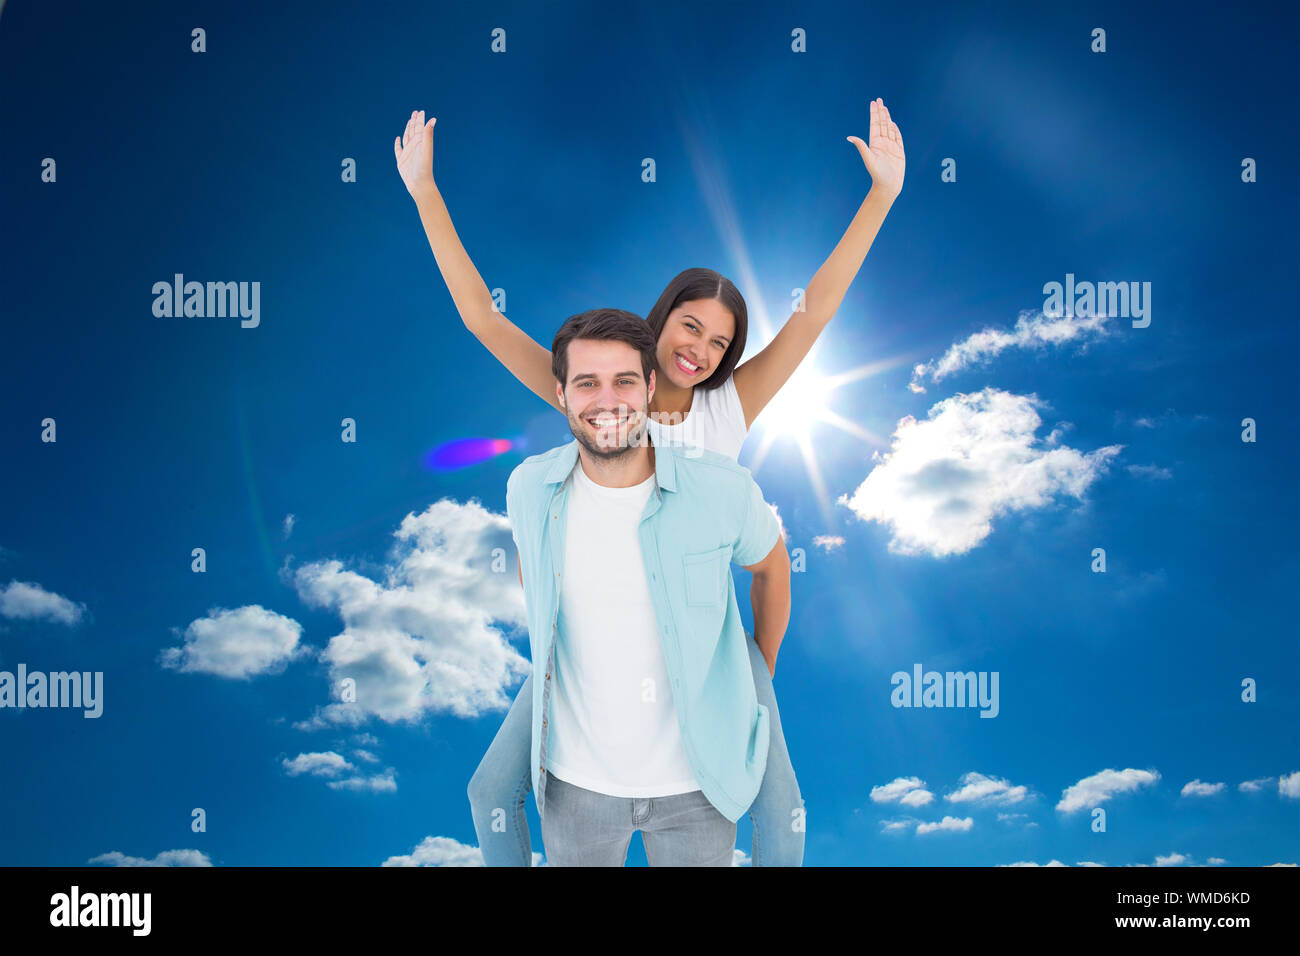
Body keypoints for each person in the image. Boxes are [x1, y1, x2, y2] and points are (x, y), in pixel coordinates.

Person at [392, 99, 905, 865]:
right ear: (659, 321)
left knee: (783, 808)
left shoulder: (727, 406)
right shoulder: (605, 391)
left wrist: (881, 196)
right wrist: (425, 191)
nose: (701, 348)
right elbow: (483, 320)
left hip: (703, 647)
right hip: (595, 654)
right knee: (490, 787)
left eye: (720, 341)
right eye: (691, 325)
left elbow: (813, 315)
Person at [508, 308, 790, 865]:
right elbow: (533, 574)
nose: (607, 400)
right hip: (574, 786)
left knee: (784, 817)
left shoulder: (723, 490)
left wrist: (759, 665)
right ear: (561, 393)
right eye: (587, 383)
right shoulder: (528, 489)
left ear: (651, 386)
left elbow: (771, 567)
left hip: (700, 787)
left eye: (625, 381)